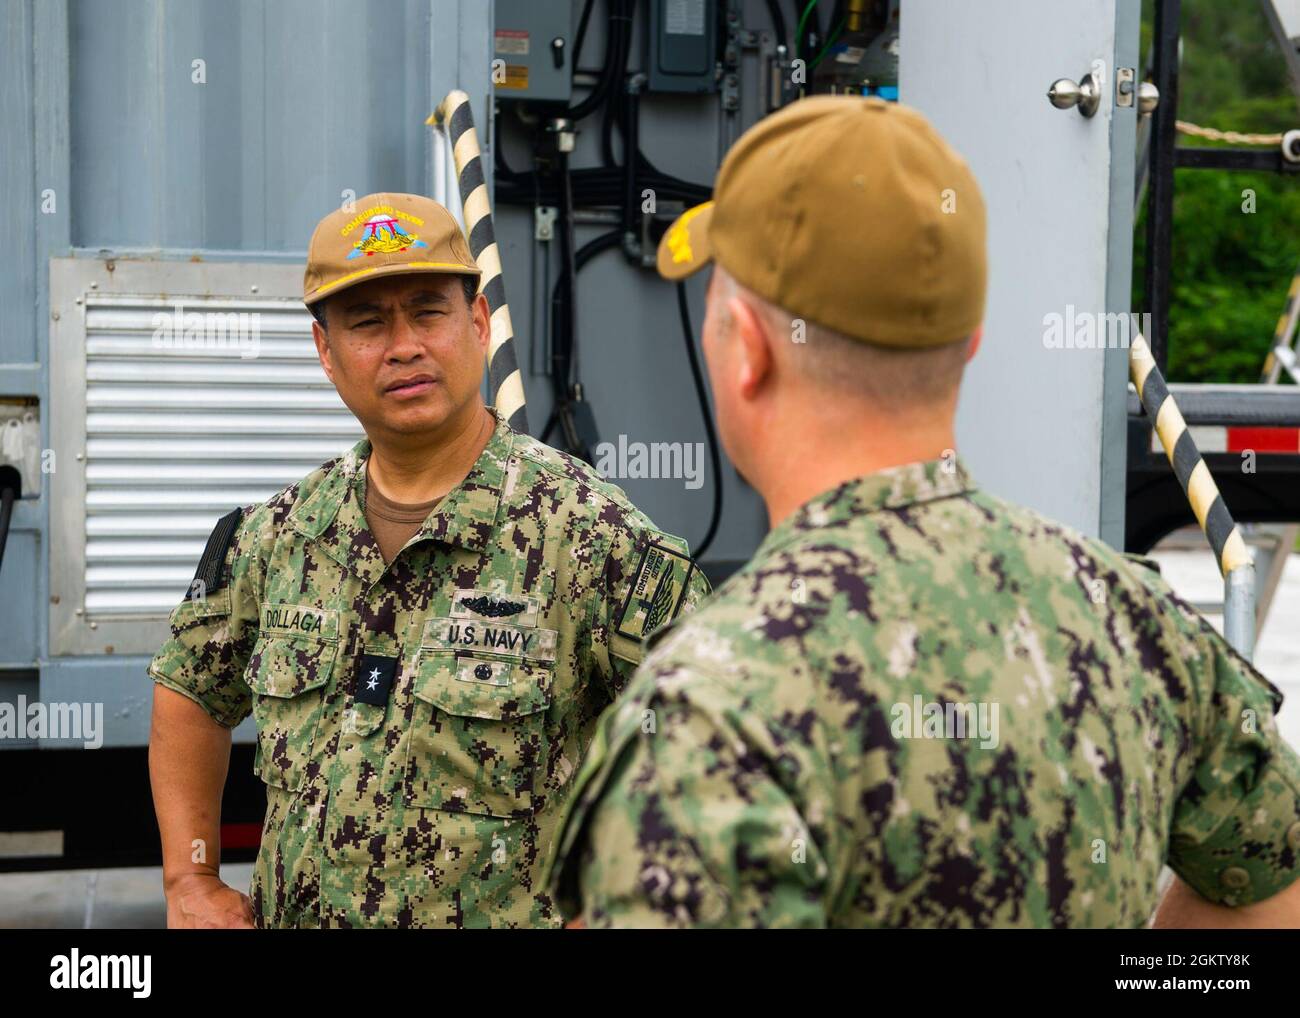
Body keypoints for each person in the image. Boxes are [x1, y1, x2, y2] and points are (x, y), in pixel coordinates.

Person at [544, 97, 1300, 928]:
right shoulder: (1138, 619)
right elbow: (1269, 886)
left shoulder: (711, 711)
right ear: (971, 339)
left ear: (748, 352)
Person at [147, 192, 709, 928]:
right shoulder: (277, 536)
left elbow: (717, 737)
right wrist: (189, 876)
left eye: (427, 310)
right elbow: (190, 693)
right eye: (368, 323)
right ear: (326, 352)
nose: (403, 344)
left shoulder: (590, 536)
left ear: (478, 324)